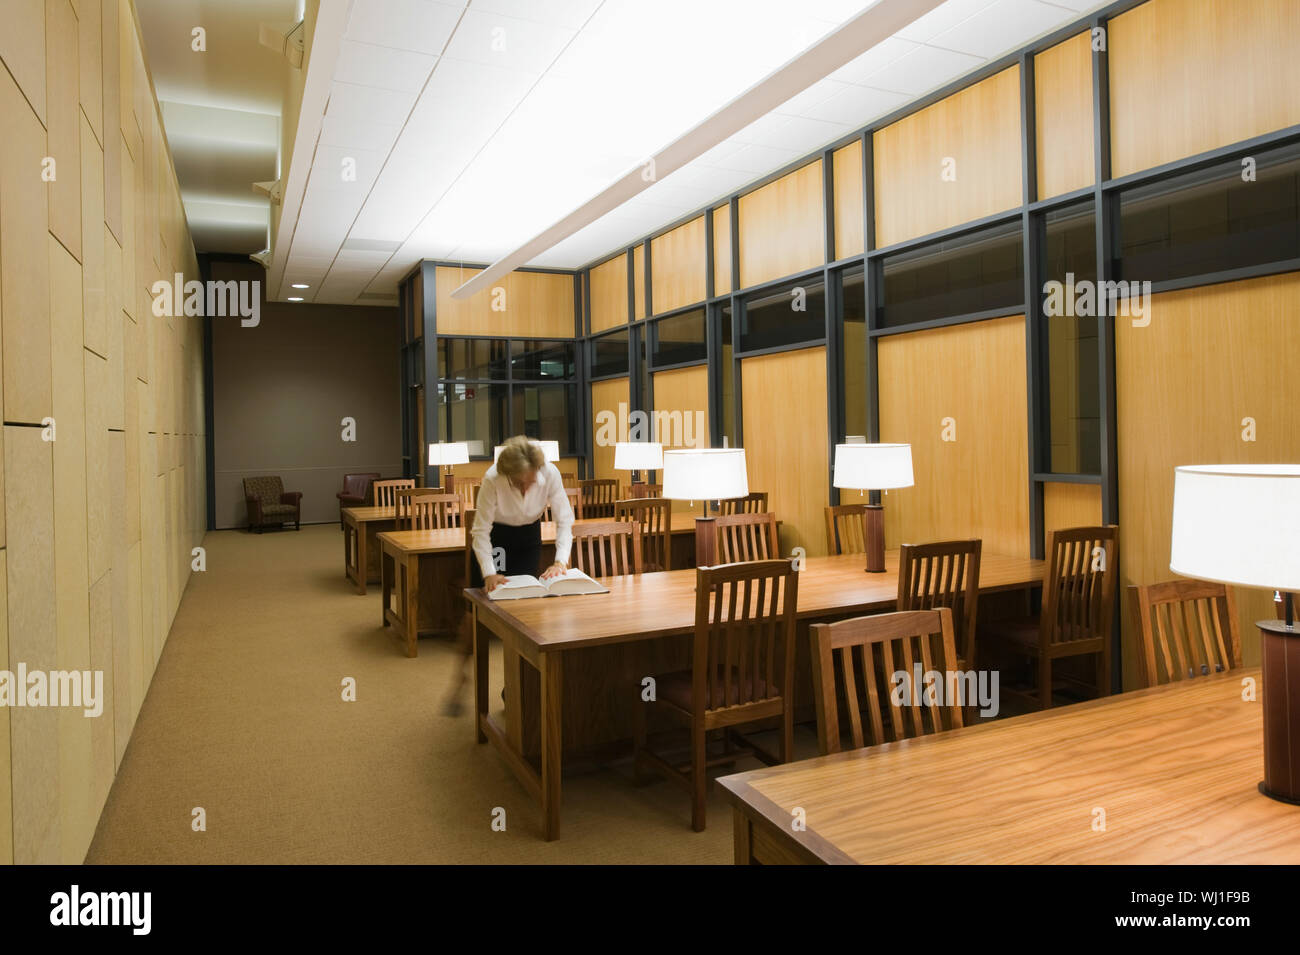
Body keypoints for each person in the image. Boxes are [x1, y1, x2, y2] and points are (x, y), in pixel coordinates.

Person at [470, 435, 574, 591]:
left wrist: (560, 561)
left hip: (529, 536)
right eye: (518, 483)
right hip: (498, 538)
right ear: (508, 474)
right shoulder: (493, 478)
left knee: (526, 592)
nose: (525, 489)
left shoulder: (550, 473)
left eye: (530, 482)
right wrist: (489, 572)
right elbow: (481, 531)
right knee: (494, 594)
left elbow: (564, 520)